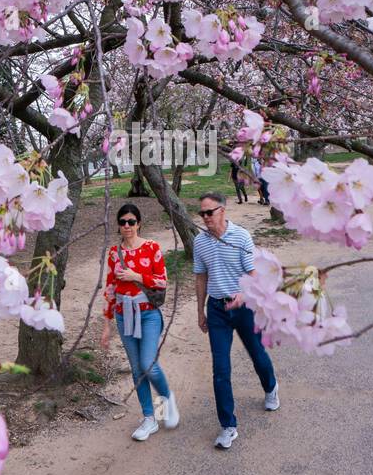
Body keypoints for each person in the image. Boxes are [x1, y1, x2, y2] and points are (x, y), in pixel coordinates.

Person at [193, 192, 278, 450]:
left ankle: (271, 387)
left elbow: (254, 274)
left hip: (244, 307)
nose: (205, 217)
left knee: (257, 355)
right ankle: (228, 426)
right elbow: (200, 277)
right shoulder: (200, 242)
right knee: (220, 369)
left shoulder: (241, 237)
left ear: (223, 210)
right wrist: (200, 311)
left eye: (210, 212)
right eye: (202, 213)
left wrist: (243, 295)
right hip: (217, 309)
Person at [99, 203, 179, 441]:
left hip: (148, 314)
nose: (127, 226)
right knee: (136, 369)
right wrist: (107, 323)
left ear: (139, 223)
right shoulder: (115, 253)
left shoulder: (152, 247)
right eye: (123, 222)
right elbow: (110, 288)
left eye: (131, 222)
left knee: (148, 364)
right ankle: (149, 419)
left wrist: (136, 276)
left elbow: (162, 282)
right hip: (125, 315)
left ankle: (167, 403)